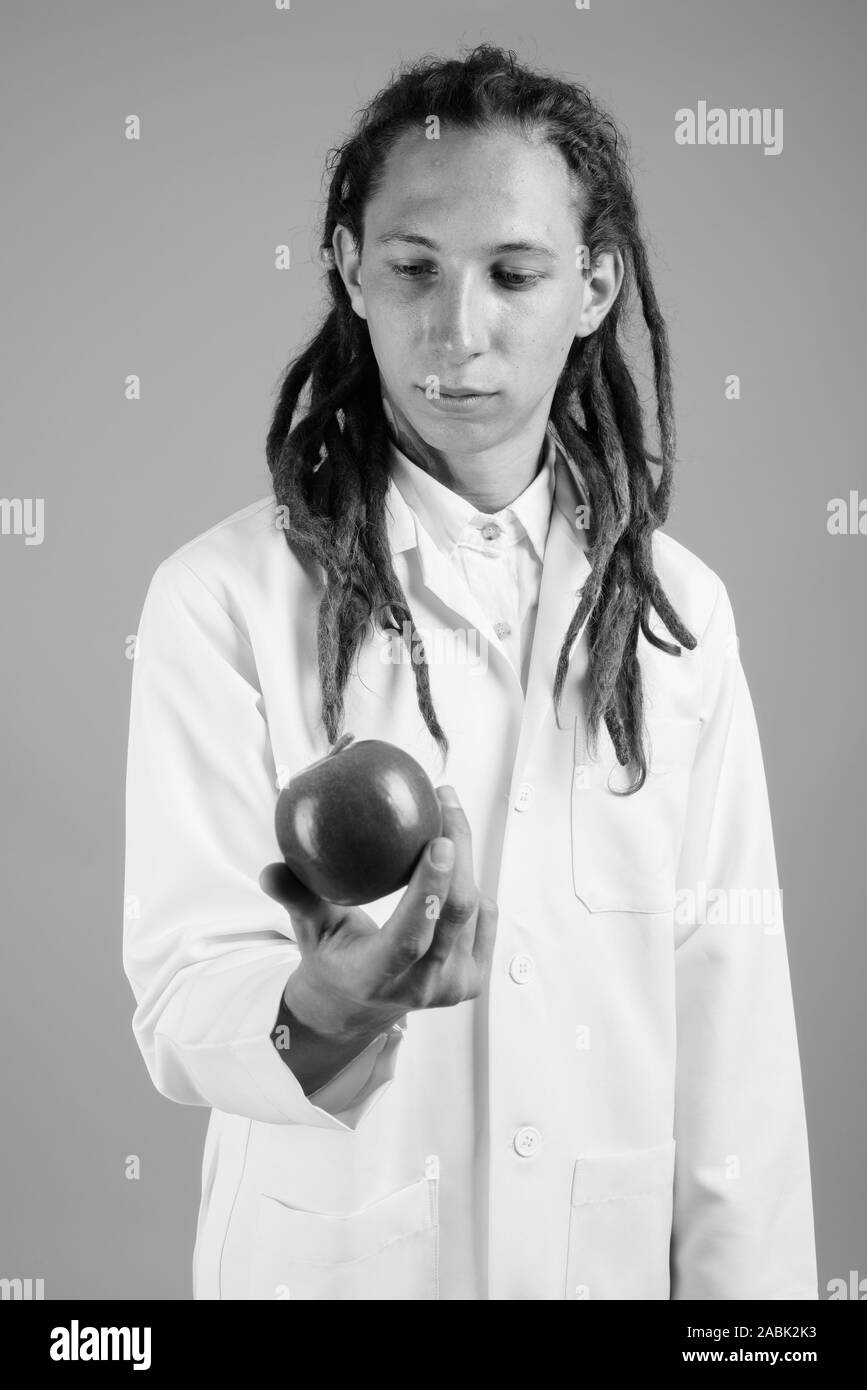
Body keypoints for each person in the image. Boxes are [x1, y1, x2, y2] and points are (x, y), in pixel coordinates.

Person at [122, 44, 818, 1300]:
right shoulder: (218, 600)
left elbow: (736, 1044)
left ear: (596, 285)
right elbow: (183, 993)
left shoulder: (680, 617)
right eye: (412, 269)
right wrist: (322, 1006)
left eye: (515, 273)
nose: (459, 330)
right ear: (349, 270)